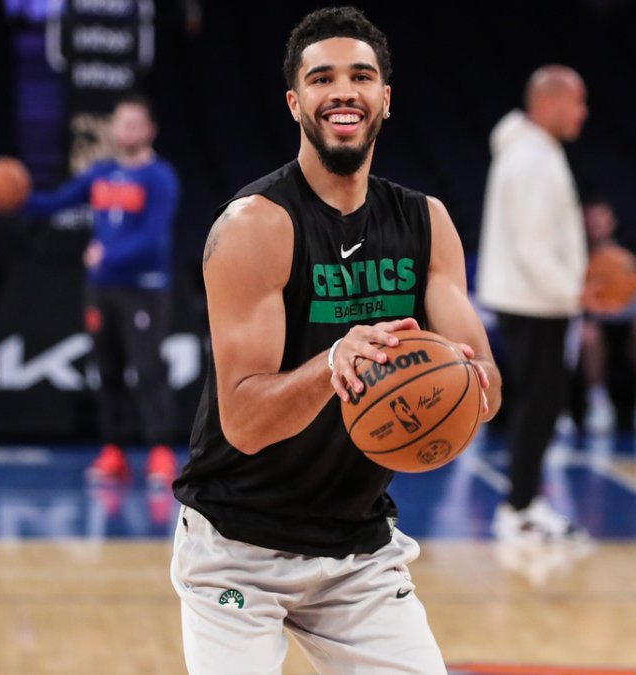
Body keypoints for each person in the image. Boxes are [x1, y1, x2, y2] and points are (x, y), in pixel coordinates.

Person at [171, 8, 500, 672]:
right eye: (322, 79)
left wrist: (455, 377)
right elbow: (244, 422)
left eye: (361, 76)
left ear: (385, 98)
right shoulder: (254, 226)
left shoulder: (425, 222)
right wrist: (334, 362)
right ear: (296, 104)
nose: (342, 91)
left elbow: (485, 390)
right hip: (239, 543)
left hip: (358, 549)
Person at [23, 94, 180, 483]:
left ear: (150, 130)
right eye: (120, 123)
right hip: (101, 289)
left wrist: (106, 256)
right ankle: (114, 451)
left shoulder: (160, 177)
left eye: (134, 123)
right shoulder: (101, 173)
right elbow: (57, 202)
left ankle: (161, 451)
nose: (125, 130)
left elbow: (153, 237)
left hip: (144, 287)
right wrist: (17, 200)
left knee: (147, 370)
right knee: (106, 370)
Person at [476, 65, 589, 542]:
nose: (583, 113)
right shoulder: (532, 160)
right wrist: (575, 292)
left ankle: (526, 503)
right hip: (535, 301)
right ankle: (518, 509)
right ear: (549, 102)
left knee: (542, 405)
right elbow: (531, 245)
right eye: (577, 102)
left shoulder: (533, 151)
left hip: (533, 299)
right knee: (538, 406)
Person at [579, 201, 636, 436]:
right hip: (595, 328)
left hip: (629, 328)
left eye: (602, 217)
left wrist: (612, 304)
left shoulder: (632, 254)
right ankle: (598, 404)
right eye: (591, 218)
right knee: (586, 334)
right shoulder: (574, 257)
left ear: (613, 221)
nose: (596, 223)